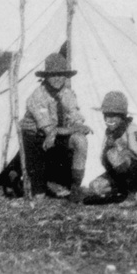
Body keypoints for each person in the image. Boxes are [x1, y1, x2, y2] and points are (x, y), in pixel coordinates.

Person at [20, 52, 91, 200]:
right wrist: (70, 129)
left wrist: (78, 125)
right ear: (46, 77)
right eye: (53, 75)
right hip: (35, 142)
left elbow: (75, 116)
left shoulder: (67, 93)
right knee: (39, 196)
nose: (58, 78)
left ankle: (75, 188)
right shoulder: (37, 96)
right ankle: (37, 183)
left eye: (61, 74)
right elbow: (48, 130)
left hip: (55, 139)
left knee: (80, 140)